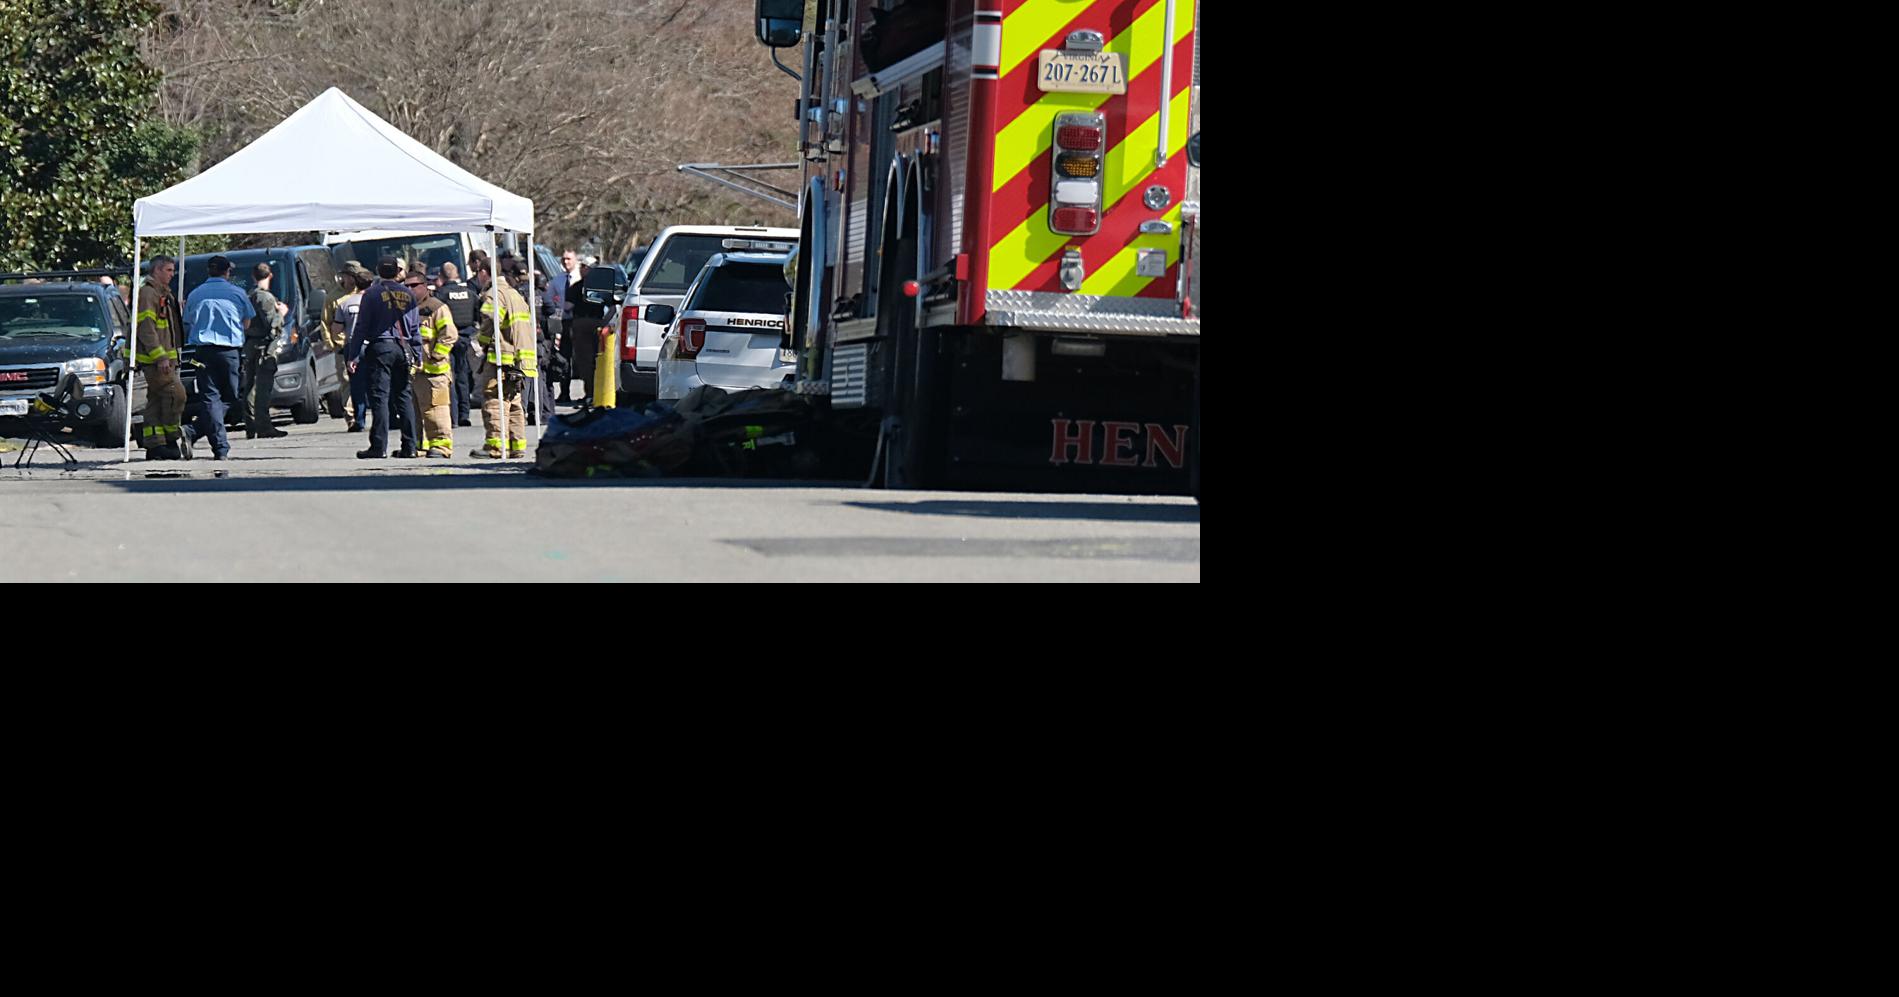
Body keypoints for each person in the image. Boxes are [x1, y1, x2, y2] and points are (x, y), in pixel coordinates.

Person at [346, 256, 423, 459]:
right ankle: (410, 446)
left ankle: (379, 446)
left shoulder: (372, 294)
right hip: (403, 347)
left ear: (379, 271)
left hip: (381, 347)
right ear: (398, 271)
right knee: (403, 397)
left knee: (380, 398)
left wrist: (353, 355)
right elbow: (415, 327)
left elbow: (361, 327)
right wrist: (418, 353)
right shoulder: (408, 294)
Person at [180, 255, 254, 461]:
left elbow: (188, 321)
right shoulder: (237, 293)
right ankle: (219, 447)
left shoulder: (195, 294)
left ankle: (195, 432)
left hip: (202, 353)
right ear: (227, 272)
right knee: (230, 398)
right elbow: (247, 323)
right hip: (229, 352)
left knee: (210, 398)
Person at [471, 256, 536, 459]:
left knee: (494, 399)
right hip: (519, 356)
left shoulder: (494, 294)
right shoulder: (514, 293)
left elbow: (490, 320)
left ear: (484, 273)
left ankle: (495, 446)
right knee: (513, 400)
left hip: (502, 356)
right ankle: (517, 445)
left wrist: (481, 340)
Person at [132, 256, 187, 460]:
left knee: (155, 401)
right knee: (176, 394)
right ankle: (171, 437)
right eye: (169, 270)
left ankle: (156, 445)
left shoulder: (162, 293)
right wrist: (160, 356)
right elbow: (146, 328)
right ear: (156, 270)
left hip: (164, 358)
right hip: (155, 359)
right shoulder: (148, 293)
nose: (172, 275)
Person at [406, 269, 458, 459]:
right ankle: (422, 445)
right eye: (406, 286)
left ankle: (442, 446)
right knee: (418, 411)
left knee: (436, 410)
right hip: (415, 372)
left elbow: (450, 335)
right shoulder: (407, 309)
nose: (409, 289)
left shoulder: (437, 308)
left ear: (424, 286)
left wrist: (436, 355)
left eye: (414, 285)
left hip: (435, 372)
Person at [238, 262, 290, 439]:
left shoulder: (249, 295)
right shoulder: (265, 298)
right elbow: (272, 326)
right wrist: (281, 313)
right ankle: (263, 426)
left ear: (253, 276)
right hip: (263, 347)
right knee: (262, 387)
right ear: (270, 276)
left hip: (251, 344)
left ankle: (251, 424)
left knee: (250, 386)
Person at [436, 261, 480, 427]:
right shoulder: (469, 293)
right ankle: (464, 414)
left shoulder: (441, 295)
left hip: (447, 339)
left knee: (450, 378)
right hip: (465, 339)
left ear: (441, 276)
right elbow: (478, 315)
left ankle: (452, 416)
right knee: (463, 377)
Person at [332, 263, 372, 431]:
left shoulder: (345, 304)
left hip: (352, 346)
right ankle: (382, 418)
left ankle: (360, 421)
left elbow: (337, 328)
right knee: (376, 384)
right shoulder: (376, 303)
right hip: (373, 346)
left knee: (356, 386)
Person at [569, 256, 607, 408]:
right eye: (582, 266)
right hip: (583, 325)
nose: (582, 268)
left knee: (597, 362)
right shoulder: (577, 287)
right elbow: (567, 306)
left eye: (585, 266)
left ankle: (596, 394)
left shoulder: (602, 287)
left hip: (594, 325)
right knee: (585, 363)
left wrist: (605, 322)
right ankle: (589, 394)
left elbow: (612, 306)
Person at [550, 249, 578, 401]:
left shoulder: (581, 278)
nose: (566, 262)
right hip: (563, 322)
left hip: (578, 321)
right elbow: (550, 300)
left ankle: (589, 394)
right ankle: (565, 392)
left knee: (581, 358)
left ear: (575, 260)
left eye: (569, 259)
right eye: (564, 259)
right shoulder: (557, 280)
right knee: (563, 358)